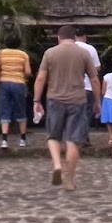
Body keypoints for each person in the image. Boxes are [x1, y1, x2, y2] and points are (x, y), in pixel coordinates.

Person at [33, 24, 101, 190]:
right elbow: (94, 79)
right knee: (73, 140)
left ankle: (57, 164)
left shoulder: (50, 53)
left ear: (59, 37)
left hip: (55, 99)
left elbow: (41, 78)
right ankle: (69, 180)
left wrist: (36, 100)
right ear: (74, 38)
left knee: (53, 136)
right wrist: (98, 101)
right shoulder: (83, 53)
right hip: (77, 100)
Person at [0, 31, 32, 150]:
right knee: (21, 109)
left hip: (4, 83)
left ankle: (4, 140)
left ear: (6, 42)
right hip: (19, 83)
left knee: (5, 109)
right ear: (19, 43)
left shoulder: (0, 53)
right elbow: (28, 72)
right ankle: (23, 139)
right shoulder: (23, 55)